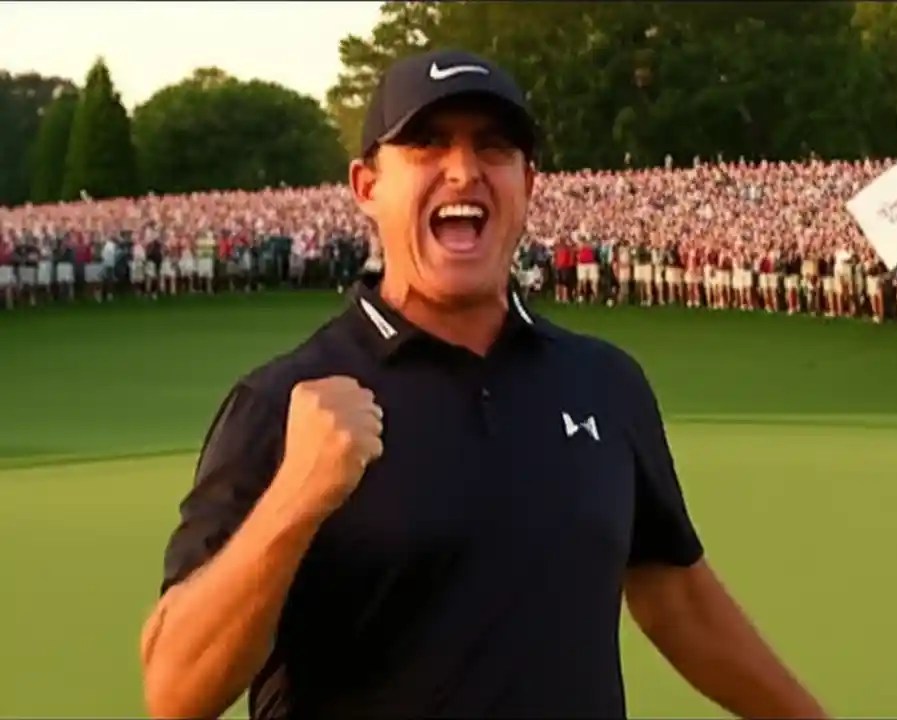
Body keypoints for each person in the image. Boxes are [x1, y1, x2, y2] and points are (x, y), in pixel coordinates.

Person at [139, 49, 827, 720]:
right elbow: (174, 691)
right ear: (367, 186)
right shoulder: (284, 402)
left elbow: (677, 596)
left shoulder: (603, 382)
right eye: (428, 144)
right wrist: (295, 500)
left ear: (528, 185)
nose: (463, 170)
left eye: (493, 147)